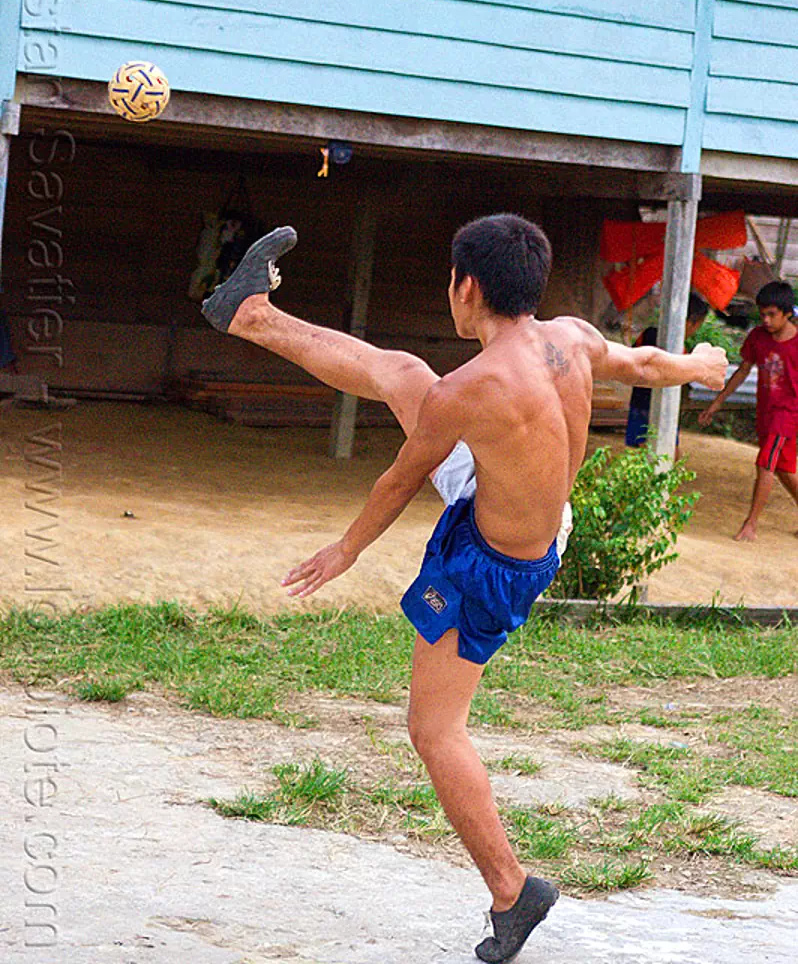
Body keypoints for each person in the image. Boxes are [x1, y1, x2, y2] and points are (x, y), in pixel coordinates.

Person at [202, 215, 727, 963]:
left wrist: (345, 550)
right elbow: (640, 362)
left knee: (435, 730)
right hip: (539, 523)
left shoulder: (472, 389)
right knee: (402, 373)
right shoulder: (571, 338)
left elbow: (399, 481)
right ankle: (251, 314)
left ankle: (513, 891)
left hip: (488, 566)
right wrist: (697, 364)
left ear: (467, 286)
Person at [700, 280, 798, 542]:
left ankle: (750, 524)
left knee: (765, 463)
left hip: (787, 414)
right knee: (783, 469)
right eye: (762, 314)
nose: (765, 320)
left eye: (772, 314)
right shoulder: (757, 337)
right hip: (765, 412)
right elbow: (743, 370)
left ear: (787, 313)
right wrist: (718, 402)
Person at [625, 292, 709, 449]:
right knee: (663, 448)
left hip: (640, 400)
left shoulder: (648, 334)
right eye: (698, 325)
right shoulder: (678, 348)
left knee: (641, 448)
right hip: (660, 406)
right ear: (690, 323)